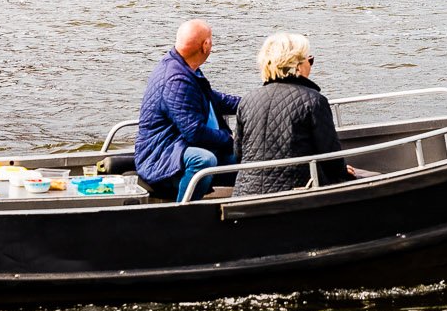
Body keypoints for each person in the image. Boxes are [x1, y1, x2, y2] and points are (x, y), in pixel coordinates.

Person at [232, 32, 355, 197]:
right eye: (310, 60)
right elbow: (330, 157)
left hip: (245, 194)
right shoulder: (313, 100)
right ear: (297, 66)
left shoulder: (247, 100)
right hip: (295, 194)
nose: (311, 65)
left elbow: (238, 154)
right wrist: (344, 173)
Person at [135, 20, 240, 201]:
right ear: (205, 45)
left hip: (177, 146)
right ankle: (184, 211)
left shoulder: (185, 68)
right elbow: (195, 133)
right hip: (161, 154)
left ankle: (248, 206)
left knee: (245, 156)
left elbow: (214, 98)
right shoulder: (177, 79)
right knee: (203, 160)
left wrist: (252, 102)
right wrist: (230, 139)